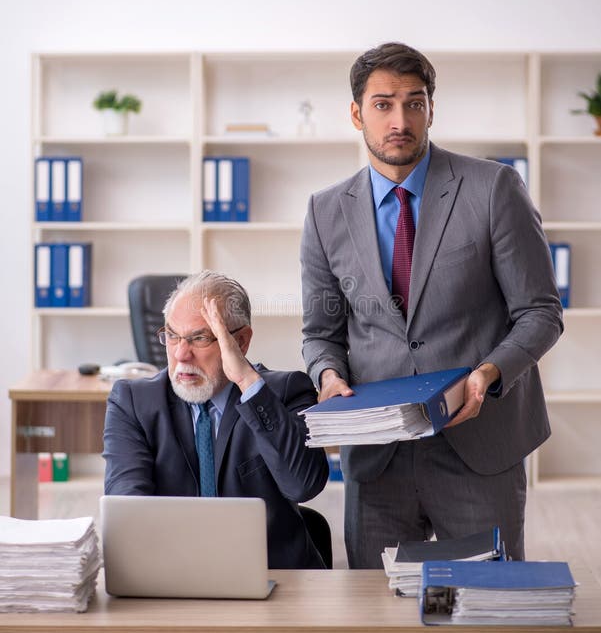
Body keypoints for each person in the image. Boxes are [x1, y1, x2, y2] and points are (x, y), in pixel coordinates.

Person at [300, 42, 563, 568]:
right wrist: (328, 376)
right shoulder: (326, 211)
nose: (400, 120)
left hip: (478, 440)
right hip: (378, 454)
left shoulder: (493, 188)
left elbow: (539, 312)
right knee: (377, 615)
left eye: (414, 103)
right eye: (383, 104)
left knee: (490, 610)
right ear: (356, 114)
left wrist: (488, 373)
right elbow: (321, 332)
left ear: (431, 109)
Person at [103, 270, 329, 569]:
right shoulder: (133, 402)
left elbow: (303, 486)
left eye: (199, 338)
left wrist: (249, 383)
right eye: (172, 336)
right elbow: (126, 508)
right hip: (171, 575)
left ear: (241, 341)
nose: (182, 354)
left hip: (273, 578)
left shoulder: (285, 392)